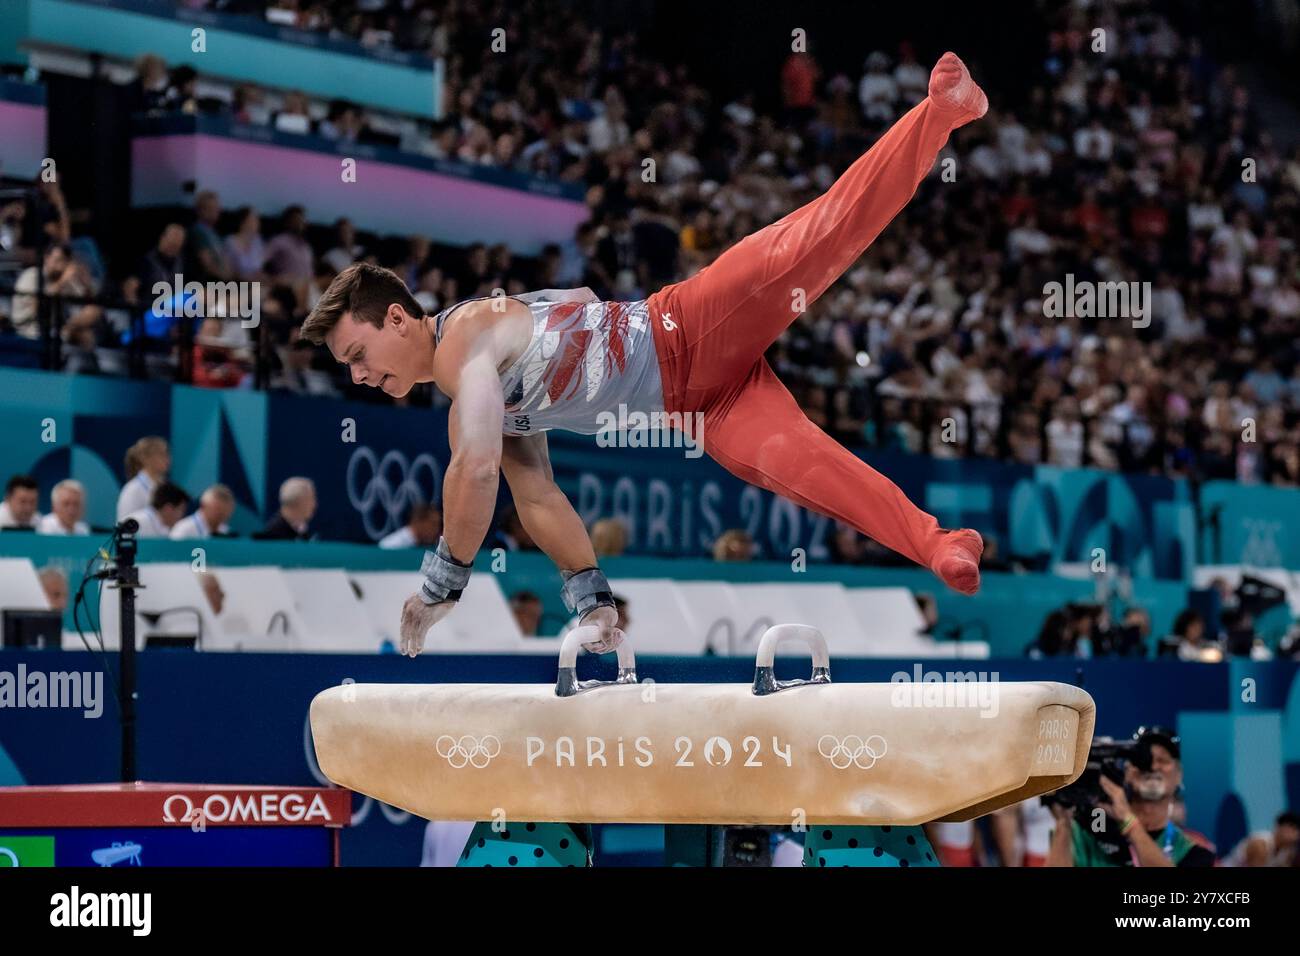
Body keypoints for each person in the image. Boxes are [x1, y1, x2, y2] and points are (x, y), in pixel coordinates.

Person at [300, 53, 989, 658]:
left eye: (358, 354)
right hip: (701, 407)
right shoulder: (481, 384)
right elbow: (535, 494)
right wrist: (589, 594)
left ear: (398, 316)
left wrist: (442, 585)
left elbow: (474, 469)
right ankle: (940, 544)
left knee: (831, 230)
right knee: (816, 474)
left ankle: (939, 113)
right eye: (348, 370)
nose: (359, 377)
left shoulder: (461, 350)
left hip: (691, 326)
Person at [1047, 727, 1215, 867]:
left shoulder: (1193, 853)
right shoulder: (1087, 833)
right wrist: (1063, 824)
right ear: (1126, 771)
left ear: (1179, 775)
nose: (1152, 767)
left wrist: (1127, 819)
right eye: (1142, 760)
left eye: (1163, 760)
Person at [117, 437, 171, 521]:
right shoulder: (133, 490)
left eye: (167, 454)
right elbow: (125, 526)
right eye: (161, 455)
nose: (167, 459)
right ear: (145, 459)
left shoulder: (165, 487)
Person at [171, 483, 235, 540]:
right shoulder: (184, 529)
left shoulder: (227, 532)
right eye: (217, 509)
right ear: (203, 506)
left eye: (226, 510)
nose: (222, 514)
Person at [378, 502, 442, 550]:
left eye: (438, 524)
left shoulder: (432, 545)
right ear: (418, 522)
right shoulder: (391, 546)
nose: (436, 529)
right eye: (433, 524)